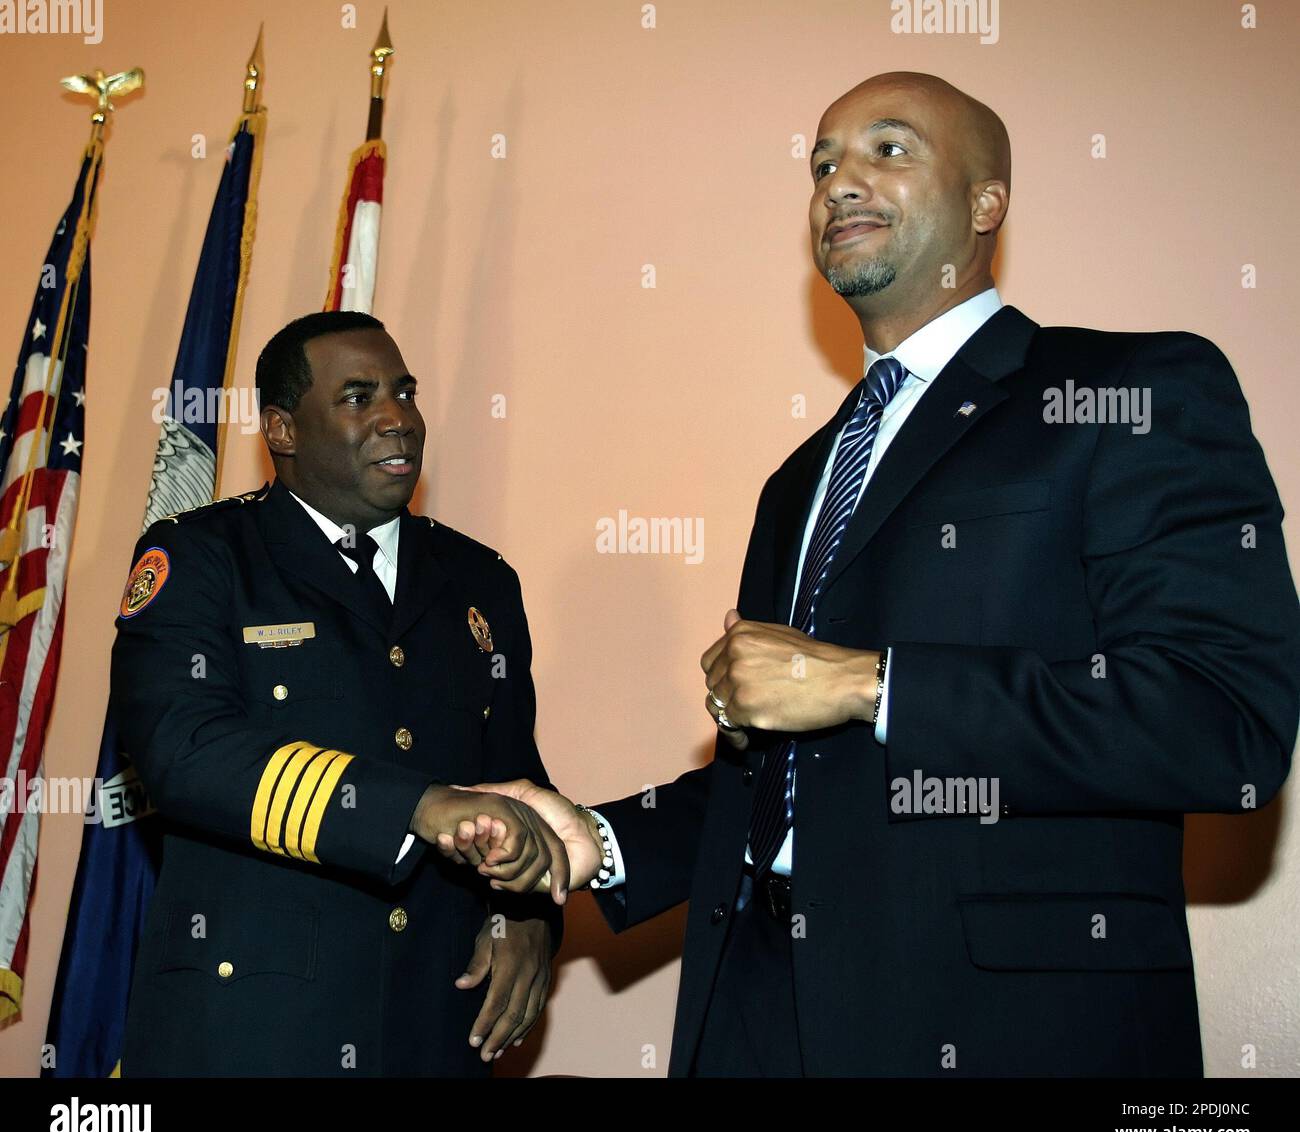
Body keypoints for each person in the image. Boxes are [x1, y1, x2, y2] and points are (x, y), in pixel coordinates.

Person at [446, 73, 1300, 1076]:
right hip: (758, 1005)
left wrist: (867, 682)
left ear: (986, 205)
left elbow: (1219, 723)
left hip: (1001, 1029)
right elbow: (790, 777)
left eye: (886, 151)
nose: (838, 181)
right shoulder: (800, 479)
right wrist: (599, 841)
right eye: (820, 165)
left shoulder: (1126, 391)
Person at [111, 311, 569, 1076]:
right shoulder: (201, 557)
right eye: (358, 397)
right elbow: (182, 752)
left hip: (434, 1027)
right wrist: (415, 805)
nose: (397, 418)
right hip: (256, 1032)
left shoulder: (480, 579)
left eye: (404, 391)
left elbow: (514, 779)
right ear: (284, 429)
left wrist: (525, 912)